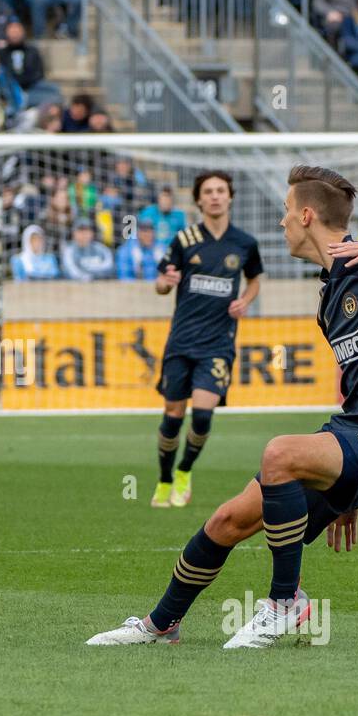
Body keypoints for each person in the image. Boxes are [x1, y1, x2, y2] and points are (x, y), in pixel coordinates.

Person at [88, 164, 358, 650]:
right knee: (227, 521)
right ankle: (160, 624)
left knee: (279, 453)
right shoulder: (329, 295)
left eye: (286, 213)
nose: (281, 223)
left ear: (308, 215)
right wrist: (346, 477)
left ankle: (284, 603)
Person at [151, 170, 262, 511]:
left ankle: (184, 471)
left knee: (202, 415)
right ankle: (165, 477)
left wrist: (246, 299)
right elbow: (159, 284)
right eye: (208, 191)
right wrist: (167, 282)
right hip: (181, 341)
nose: (215, 196)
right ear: (198, 199)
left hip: (218, 343)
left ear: (230, 197)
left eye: (220, 190)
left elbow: (255, 277)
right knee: (172, 415)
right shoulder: (183, 241)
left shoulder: (244, 243)